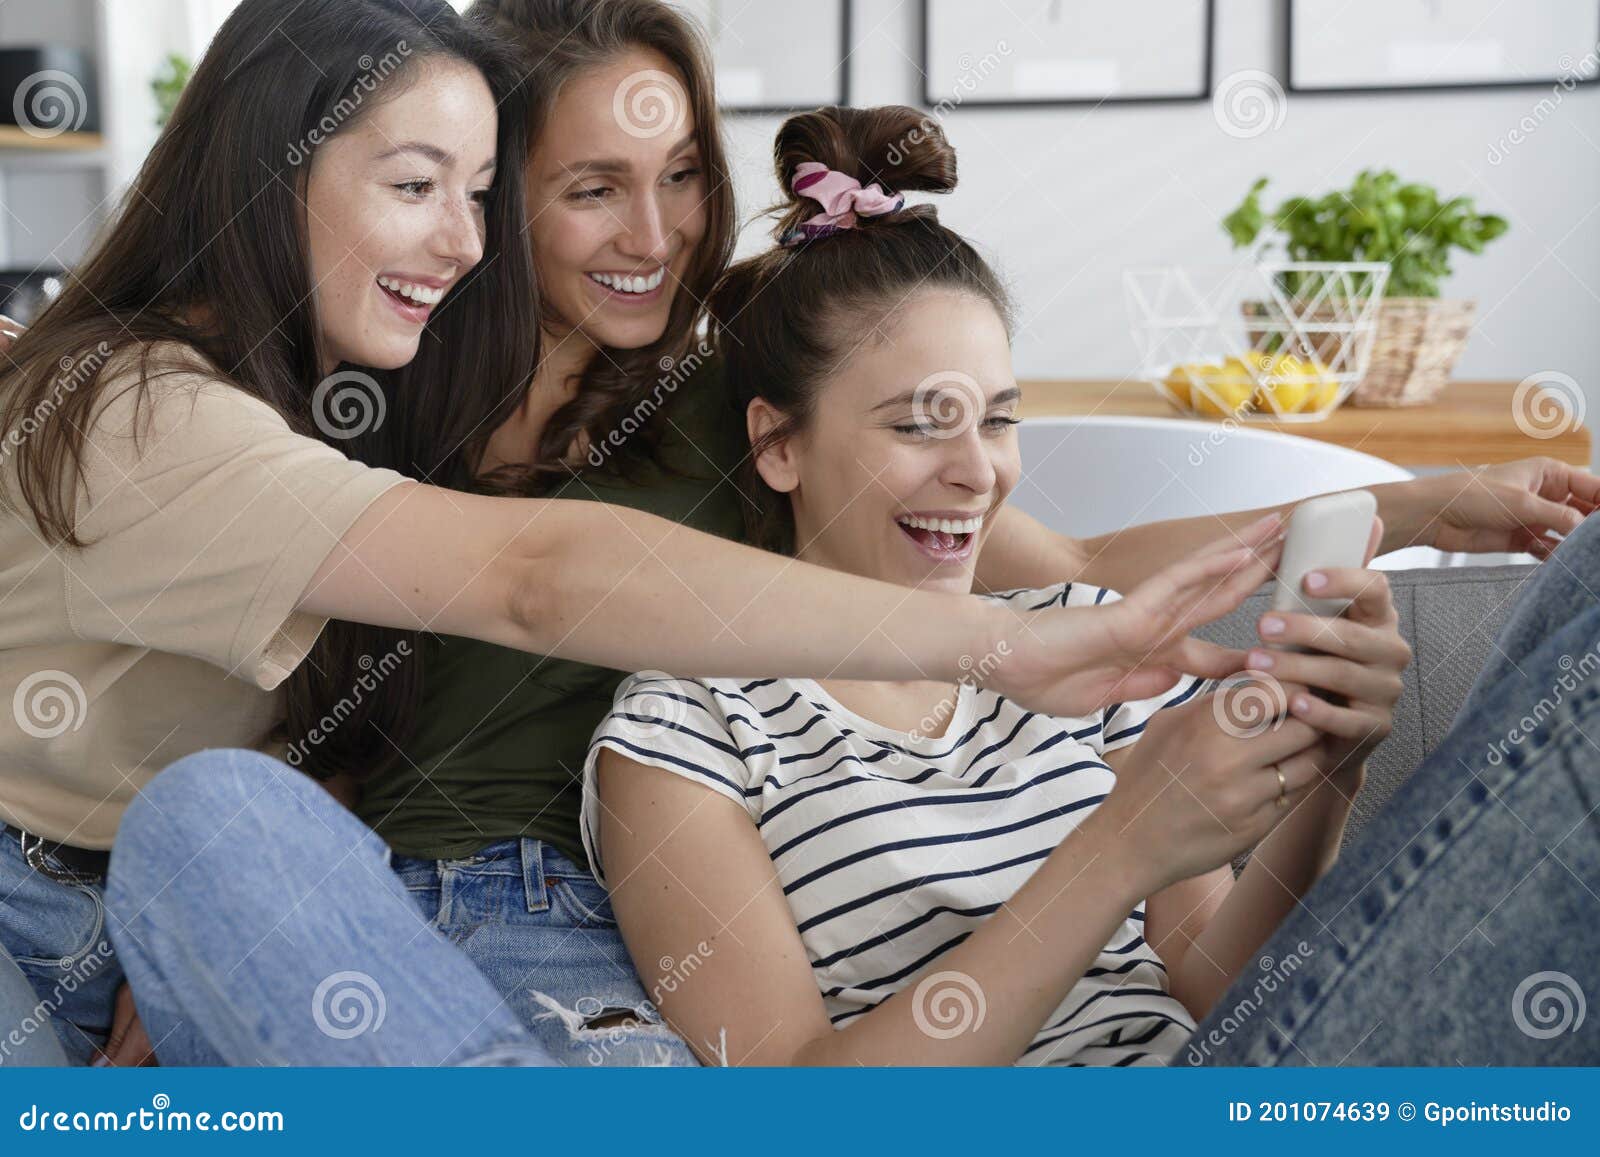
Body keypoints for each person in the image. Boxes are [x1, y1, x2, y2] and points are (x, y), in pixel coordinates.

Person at [0, 0, 1268, 1066]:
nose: (458, 237)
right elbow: (530, 582)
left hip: (356, 896)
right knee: (216, 820)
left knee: (221, 822)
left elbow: (1059, 561)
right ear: (270, 181)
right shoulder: (203, 410)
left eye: (477, 193)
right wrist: (986, 644)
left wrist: (1422, 513)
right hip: (61, 887)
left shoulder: (692, 404)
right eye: (415, 186)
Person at [578, 104, 1600, 1066]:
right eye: (917, 423)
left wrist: (1331, 771)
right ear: (779, 444)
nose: (977, 471)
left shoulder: (1083, 638)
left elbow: (1215, 979)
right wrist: (1119, 844)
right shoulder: (684, 729)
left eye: (996, 417)